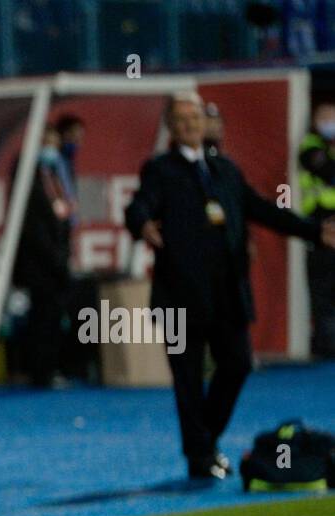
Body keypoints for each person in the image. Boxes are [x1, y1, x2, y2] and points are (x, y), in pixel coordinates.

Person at [124, 92, 335, 480]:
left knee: (237, 363)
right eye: (181, 119)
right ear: (172, 127)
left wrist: (315, 232)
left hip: (227, 293)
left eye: (195, 118)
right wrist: (142, 226)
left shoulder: (226, 171)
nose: (189, 125)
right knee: (187, 379)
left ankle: (205, 440)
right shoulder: (160, 169)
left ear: (204, 124)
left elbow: (263, 211)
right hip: (180, 295)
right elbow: (139, 205)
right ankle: (200, 458)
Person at [12, 125, 73, 388]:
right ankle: (39, 372)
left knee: (52, 317)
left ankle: (50, 368)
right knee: (40, 317)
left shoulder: (57, 174)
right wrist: (53, 257)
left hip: (56, 259)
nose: (51, 147)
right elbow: (32, 224)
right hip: (39, 262)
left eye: (54, 141)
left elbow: (63, 214)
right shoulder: (27, 173)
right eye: (46, 141)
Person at [298, 100, 335, 359]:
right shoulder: (310, 147)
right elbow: (327, 171)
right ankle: (326, 345)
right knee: (322, 289)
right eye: (325, 117)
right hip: (319, 227)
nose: (330, 122)